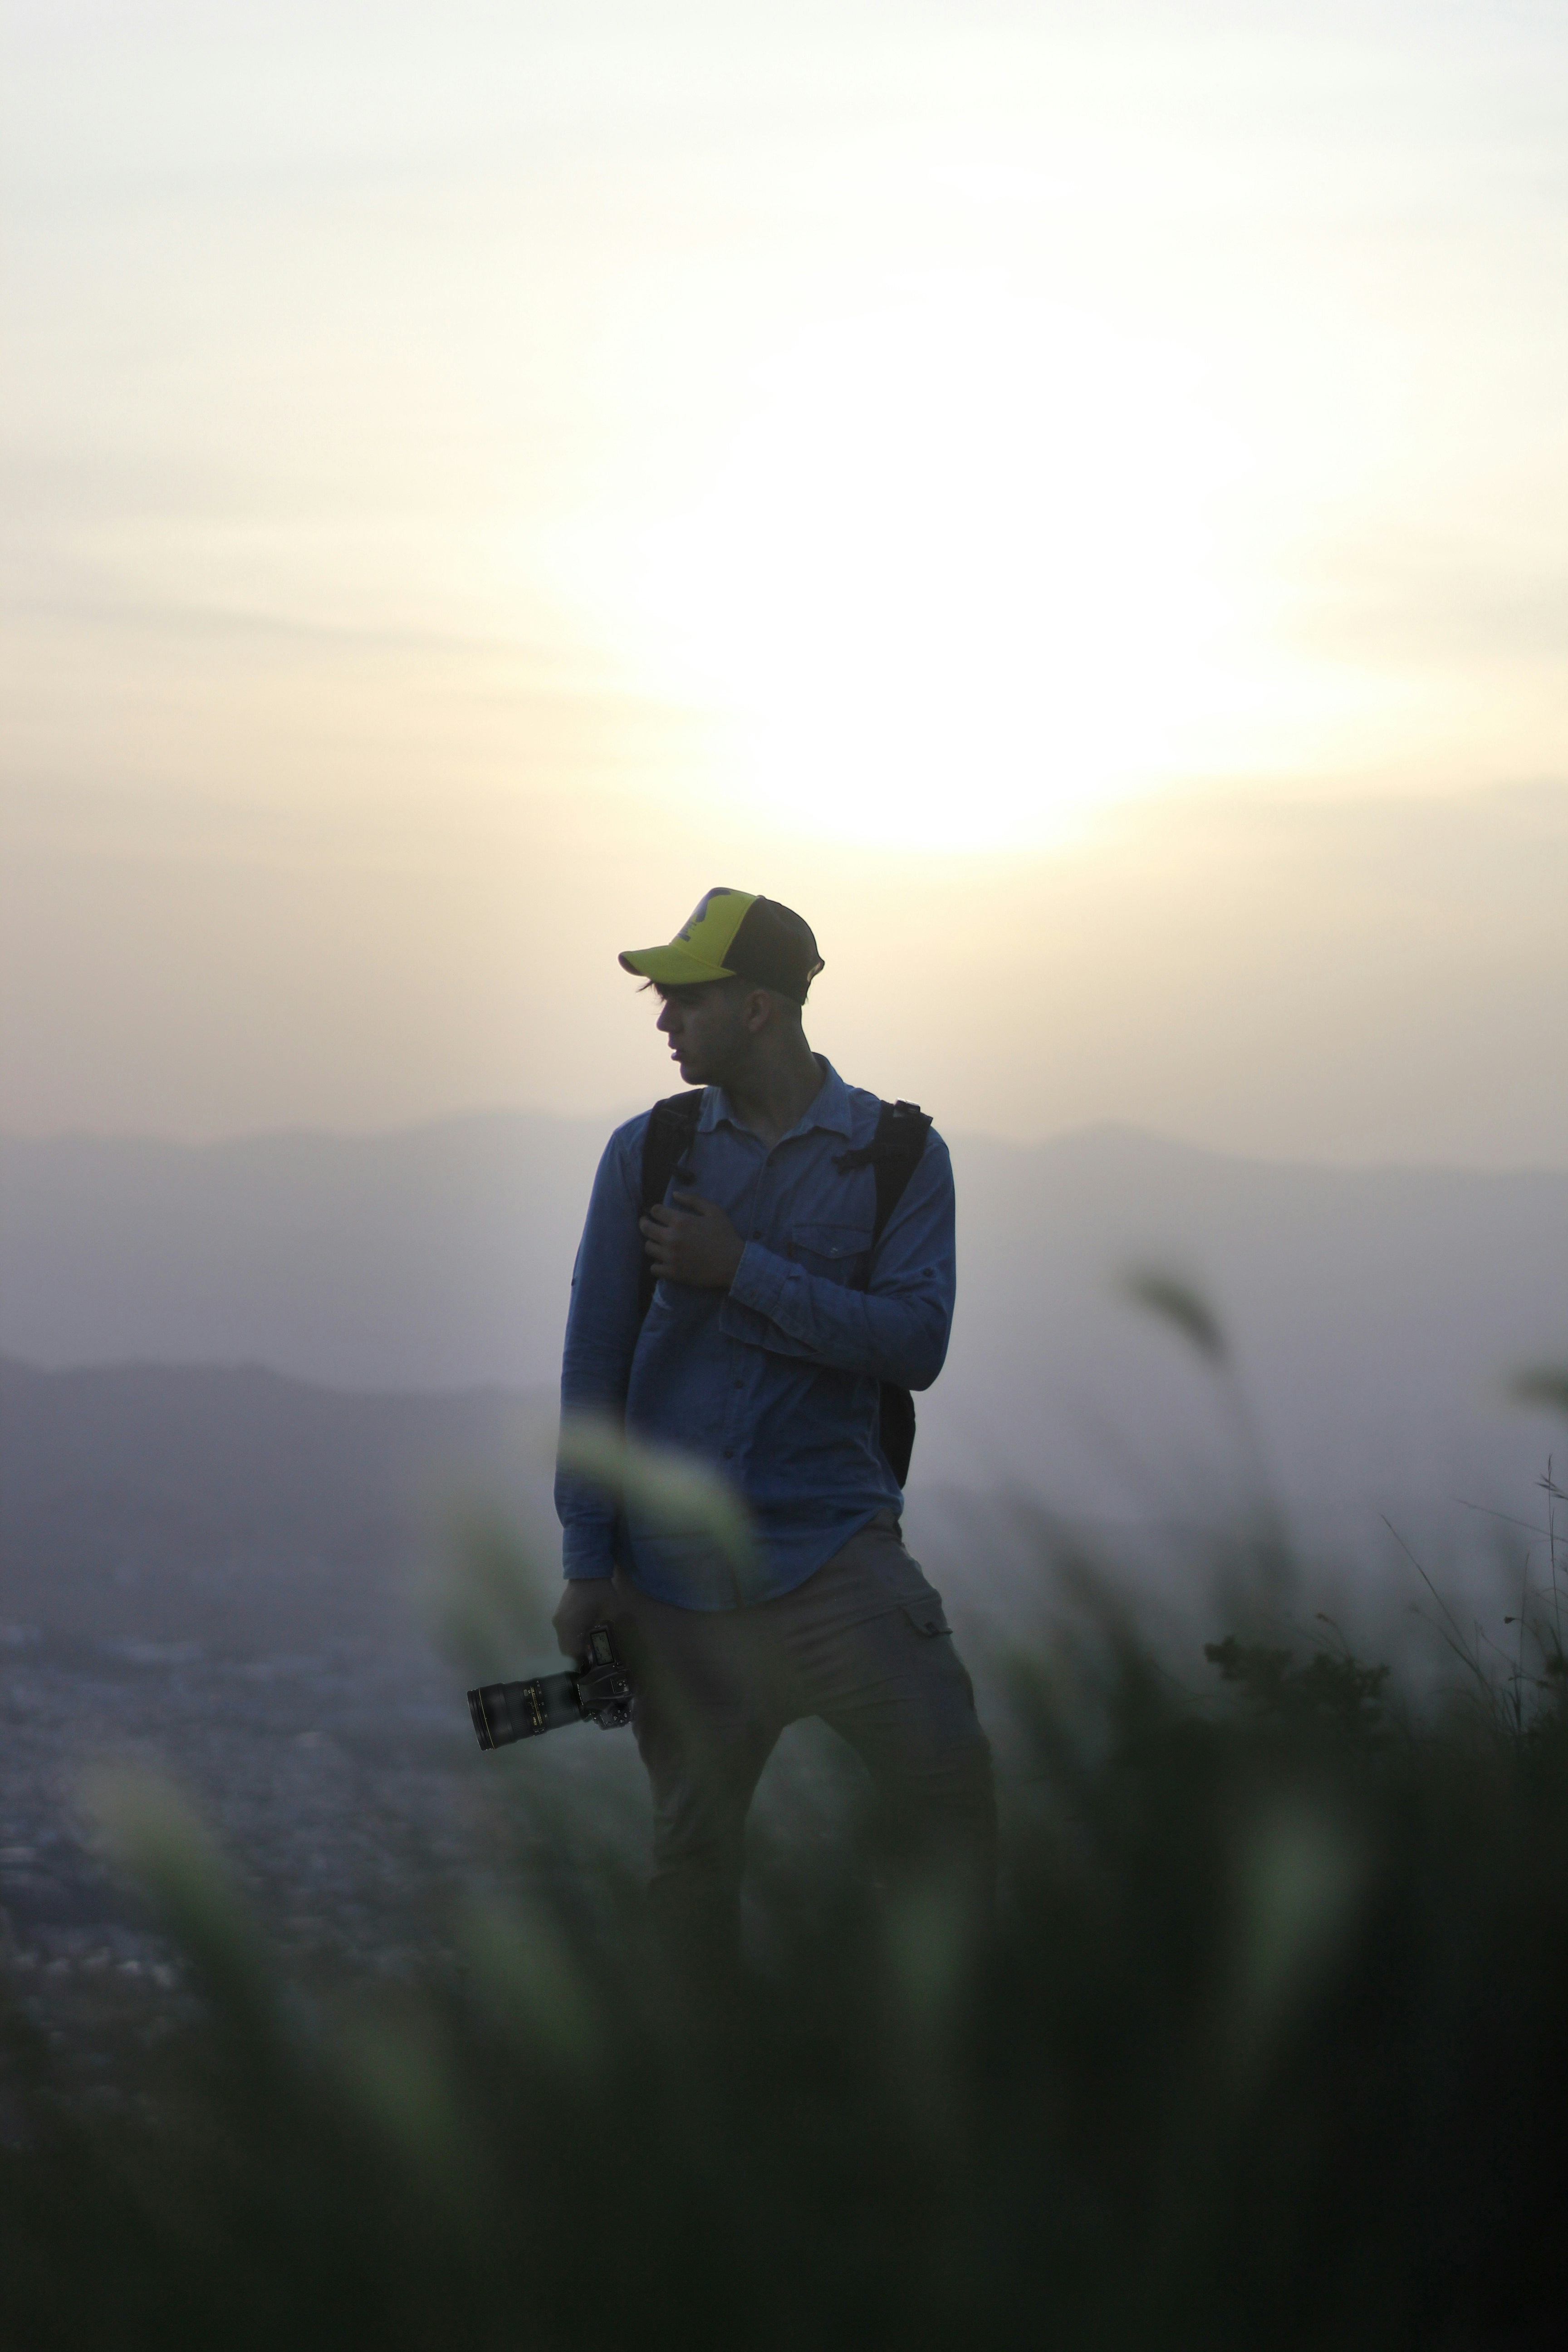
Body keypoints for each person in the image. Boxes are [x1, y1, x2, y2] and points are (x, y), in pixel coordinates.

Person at [553, 887, 995, 1976]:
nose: (663, 1022)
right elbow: (594, 1363)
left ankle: (937, 2067)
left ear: (756, 1008)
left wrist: (741, 1271)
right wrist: (587, 1564)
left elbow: (915, 1346)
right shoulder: (645, 1154)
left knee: (953, 1817)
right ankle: (706, 2109)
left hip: (835, 1553)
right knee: (693, 1870)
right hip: (673, 1583)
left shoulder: (896, 1158)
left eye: (684, 1000)